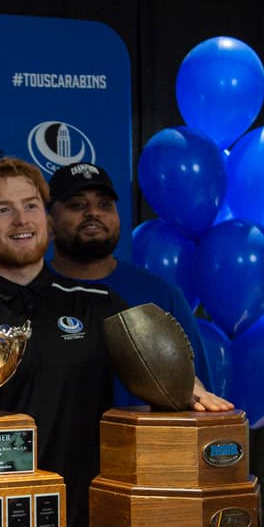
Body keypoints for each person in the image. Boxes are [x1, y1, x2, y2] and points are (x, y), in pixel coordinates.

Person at [0, 157, 232, 527]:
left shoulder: (99, 304)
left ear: (47, 219)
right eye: (3, 210)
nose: (22, 220)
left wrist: (188, 386)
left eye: (31, 205)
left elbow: (163, 367)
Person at [47, 161, 214, 400]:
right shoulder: (31, 292)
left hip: (146, 437)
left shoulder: (160, 295)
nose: (93, 212)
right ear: (49, 219)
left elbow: (198, 391)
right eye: (77, 205)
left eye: (104, 205)